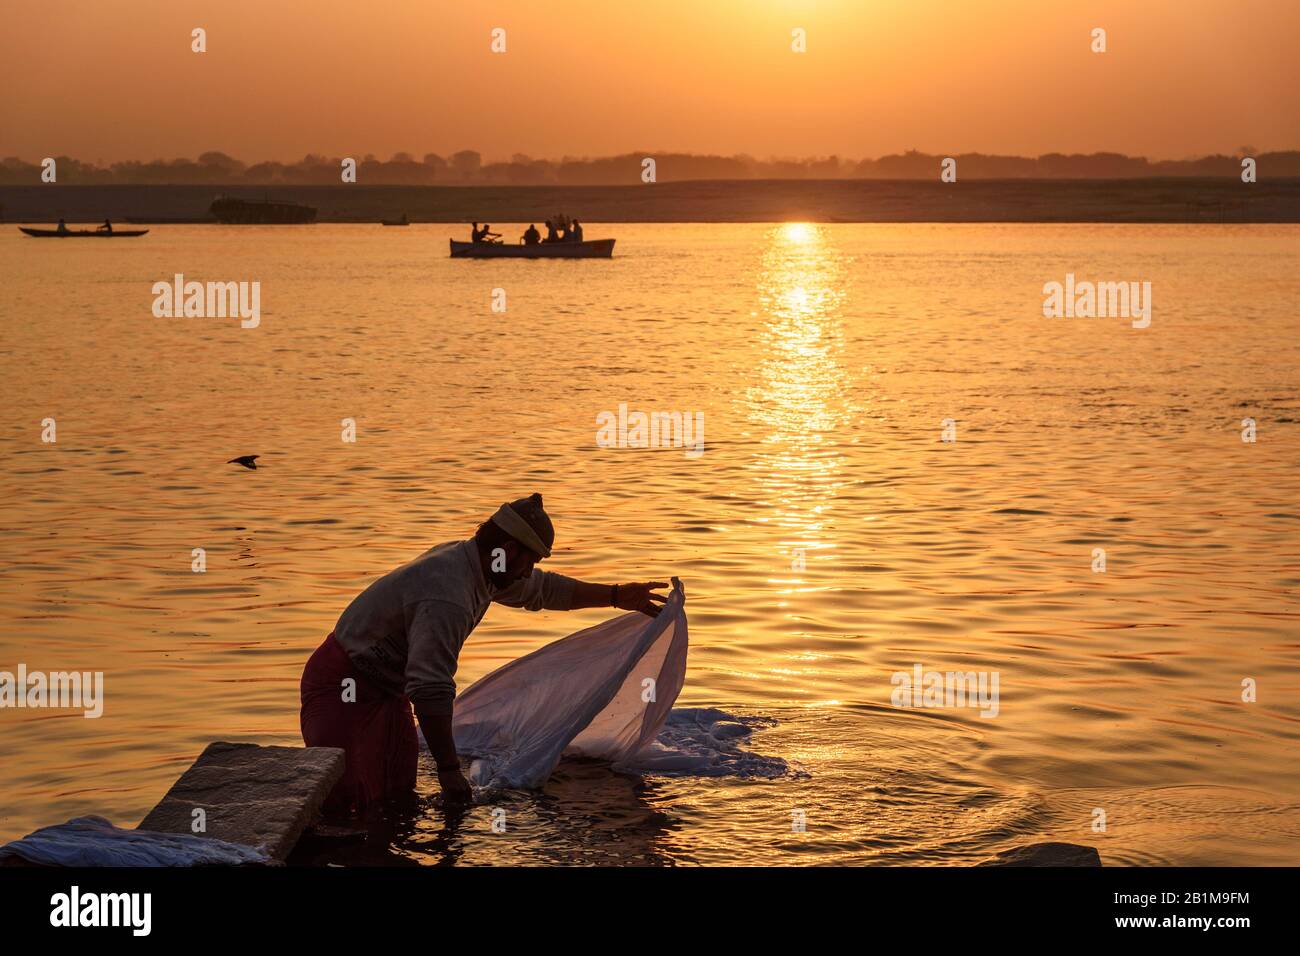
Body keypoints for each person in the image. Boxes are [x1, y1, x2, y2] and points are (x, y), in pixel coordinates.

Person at [299, 493, 667, 813]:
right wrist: (448, 771)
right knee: (344, 801)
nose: (528, 572)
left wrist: (617, 596)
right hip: (342, 687)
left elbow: (544, 591)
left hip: (387, 693)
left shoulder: (481, 568)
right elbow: (429, 688)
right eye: (529, 562)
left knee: (396, 796)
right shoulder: (449, 594)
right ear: (507, 551)